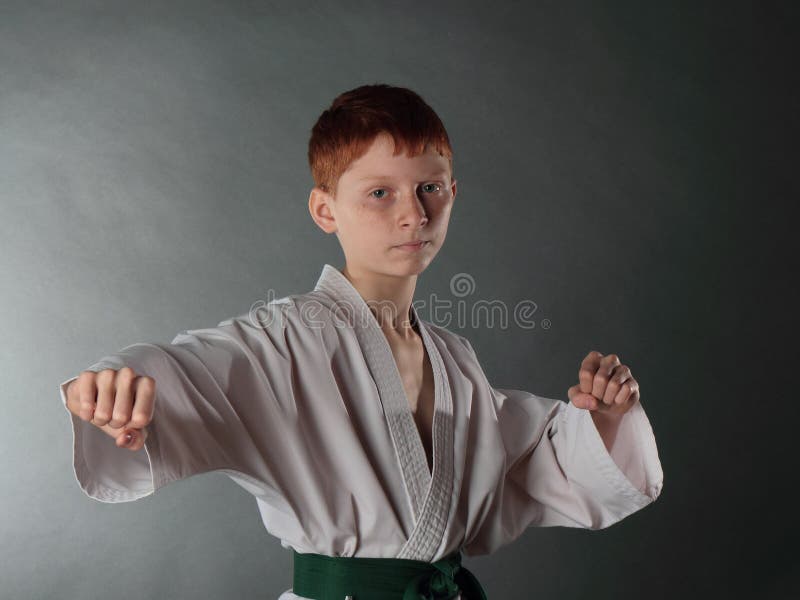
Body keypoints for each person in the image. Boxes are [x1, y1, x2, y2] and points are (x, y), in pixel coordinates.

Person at [60, 83, 664, 599]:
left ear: (454, 194)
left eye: (430, 188)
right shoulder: (281, 342)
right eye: (380, 192)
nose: (413, 215)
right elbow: (187, 367)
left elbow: (527, 456)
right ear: (325, 210)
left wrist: (605, 420)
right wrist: (114, 385)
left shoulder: (454, 359)